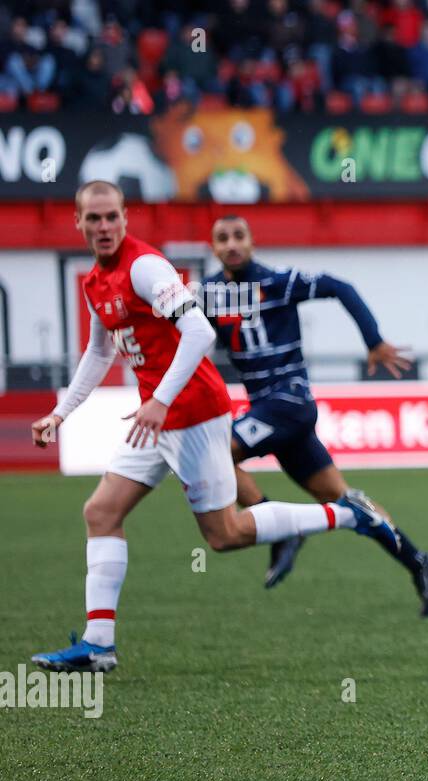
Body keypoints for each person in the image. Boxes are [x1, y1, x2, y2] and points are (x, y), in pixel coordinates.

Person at [29, 181, 400, 673]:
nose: (103, 227)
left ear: (125, 218)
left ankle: (351, 513)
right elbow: (100, 352)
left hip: (195, 415)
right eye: (92, 219)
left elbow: (199, 332)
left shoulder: (145, 268)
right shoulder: (96, 282)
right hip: (155, 420)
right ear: (77, 222)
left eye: (111, 217)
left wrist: (160, 399)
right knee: (100, 512)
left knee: (225, 536)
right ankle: (98, 645)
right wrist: (61, 413)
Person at [204, 214, 428, 615]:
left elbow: (339, 286)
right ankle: (418, 561)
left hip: (289, 401)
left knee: (215, 453)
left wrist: (373, 340)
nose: (231, 244)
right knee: (345, 500)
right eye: (223, 238)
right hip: (271, 412)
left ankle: (278, 532)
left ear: (252, 241)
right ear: (213, 247)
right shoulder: (209, 294)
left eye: (238, 236)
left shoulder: (277, 282)